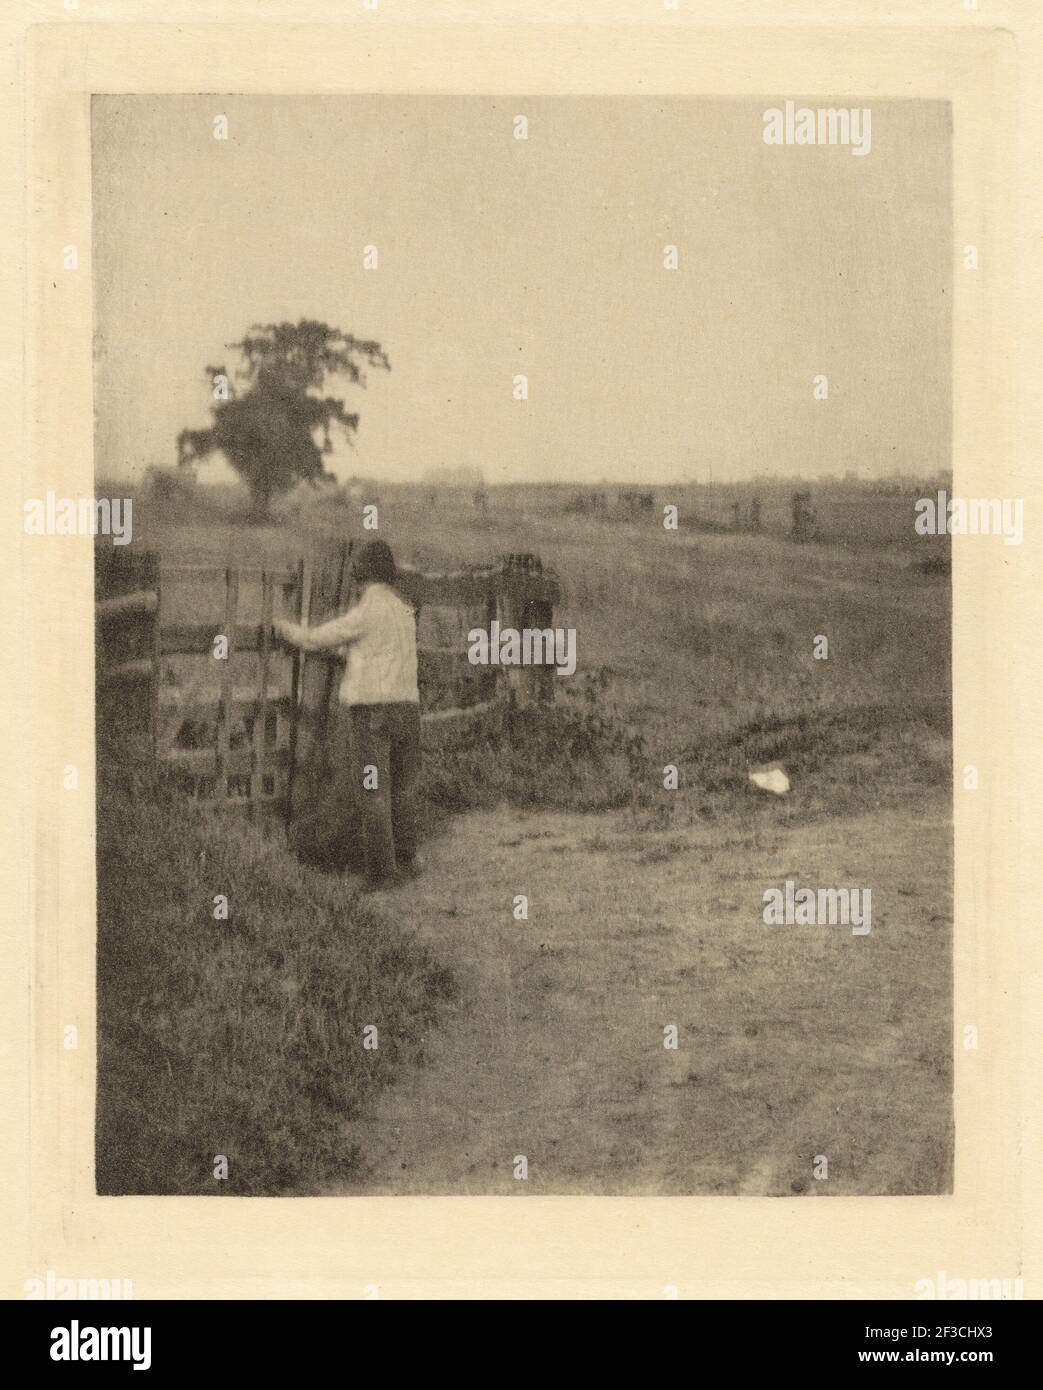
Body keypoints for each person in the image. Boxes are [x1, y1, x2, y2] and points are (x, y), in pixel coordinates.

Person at [273, 540, 422, 891]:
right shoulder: (404, 610)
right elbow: (380, 650)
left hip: (373, 712)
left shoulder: (366, 612)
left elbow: (314, 640)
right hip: (407, 709)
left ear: (363, 578)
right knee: (402, 788)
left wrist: (286, 630)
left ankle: (383, 874)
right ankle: (408, 859)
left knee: (373, 789)